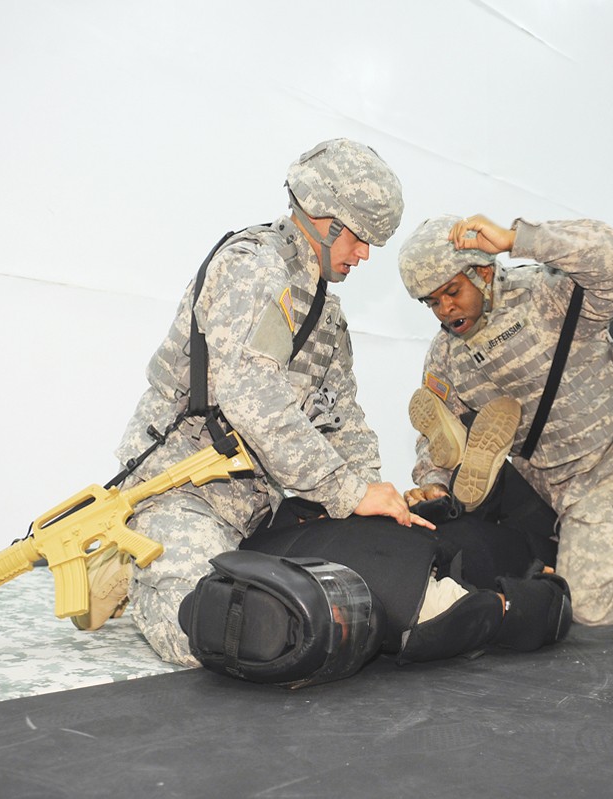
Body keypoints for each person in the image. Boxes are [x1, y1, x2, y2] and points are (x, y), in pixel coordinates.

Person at [78, 138, 433, 667]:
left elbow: (342, 416)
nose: (363, 255)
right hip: (180, 489)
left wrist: (371, 501)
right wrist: (347, 491)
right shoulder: (253, 270)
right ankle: (131, 565)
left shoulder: (323, 311)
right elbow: (252, 397)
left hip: (257, 506)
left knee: (322, 612)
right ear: (325, 219)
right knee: (210, 632)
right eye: (359, 237)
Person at [397, 213, 613, 628]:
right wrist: (433, 482)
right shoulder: (446, 354)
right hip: (537, 491)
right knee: (514, 573)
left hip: (607, 463)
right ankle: (595, 545)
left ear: (483, 272)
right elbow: (435, 430)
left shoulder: (547, 296)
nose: (445, 309)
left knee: (589, 603)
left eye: (452, 292)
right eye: (432, 302)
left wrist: (518, 239)